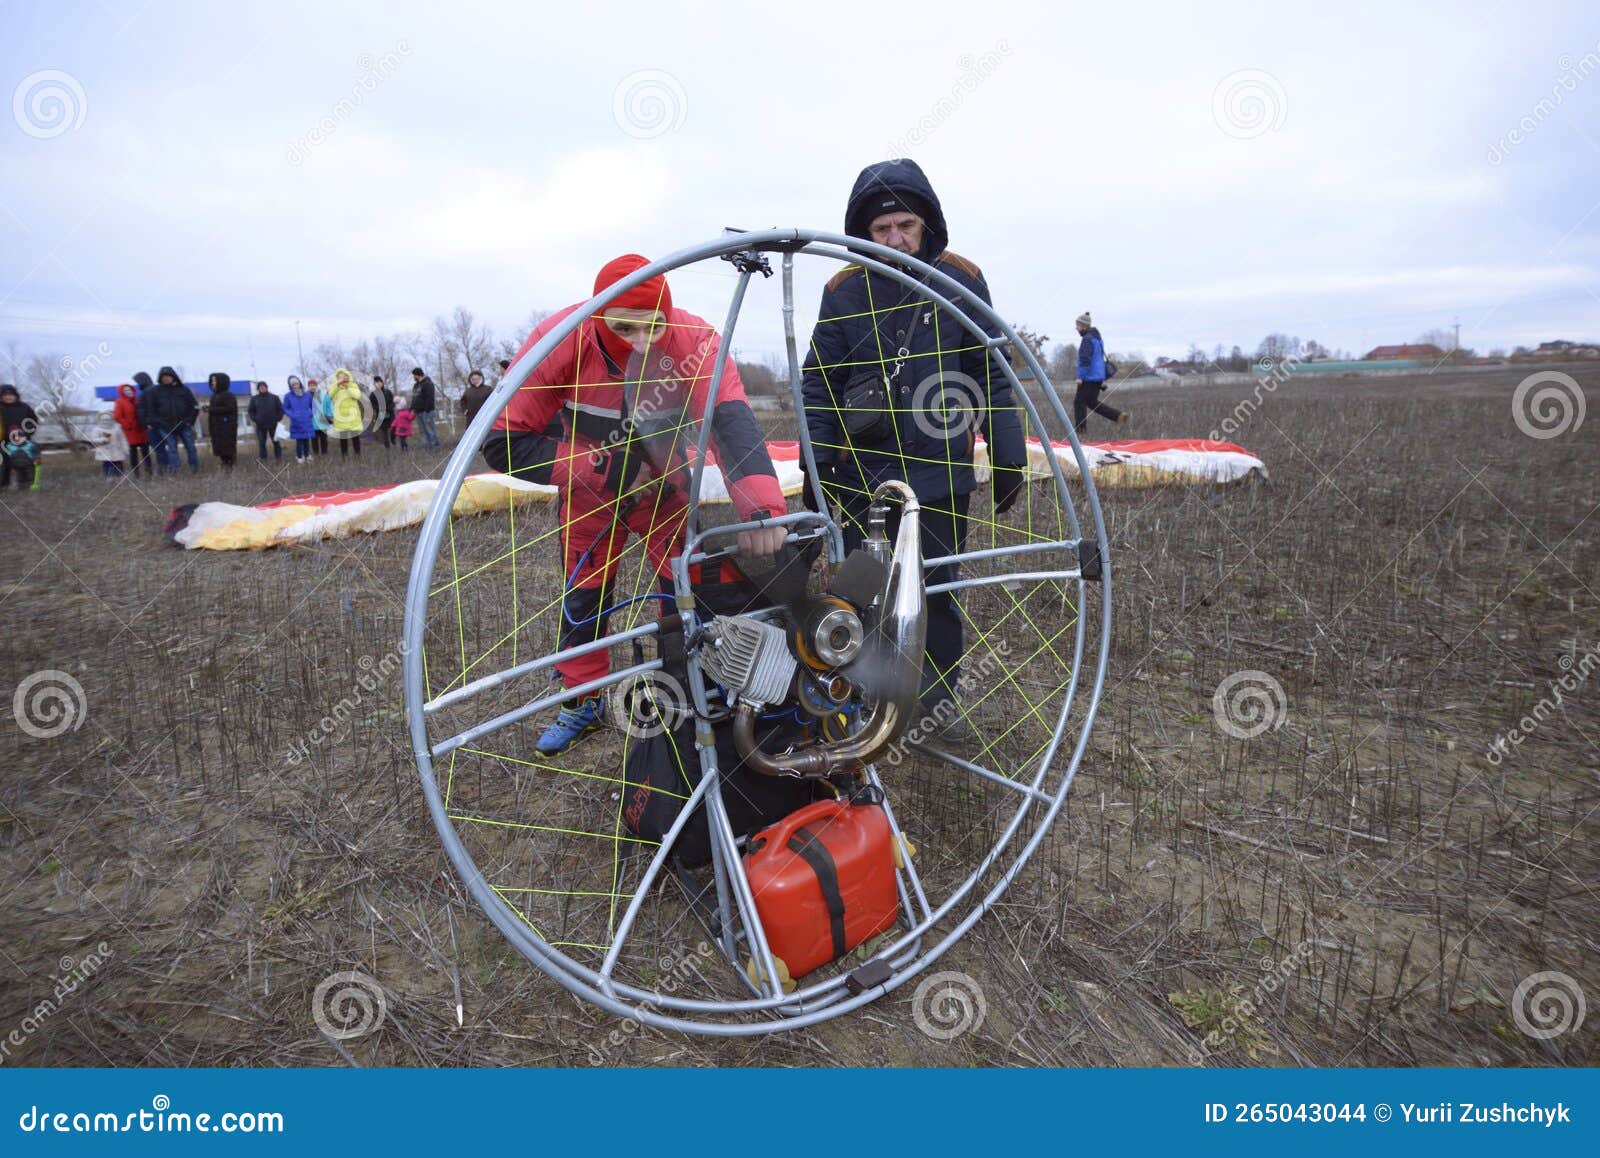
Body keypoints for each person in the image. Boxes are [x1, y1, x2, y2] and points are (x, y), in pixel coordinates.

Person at [483, 253, 787, 756]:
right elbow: (503, 440)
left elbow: (730, 423)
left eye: (653, 327)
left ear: (669, 313)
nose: (640, 342)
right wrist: (613, 471)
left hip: (667, 491)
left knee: (684, 588)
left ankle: (686, 687)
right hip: (590, 493)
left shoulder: (697, 343)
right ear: (600, 320)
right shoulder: (561, 338)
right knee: (586, 593)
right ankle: (581, 699)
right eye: (624, 329)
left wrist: (762, 510)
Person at [800, 158, 1028, 734]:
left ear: (925, 224)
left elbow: (991, 368)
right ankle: (860, 702)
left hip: (940, 470)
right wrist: (816, 464)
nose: (895, 239)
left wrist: (1007, 454)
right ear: (863, 233)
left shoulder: (960, 278)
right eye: (882, 230)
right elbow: (819, 381)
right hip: (862, 474)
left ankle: (934, 707)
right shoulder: (843, 289)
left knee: (938, 593)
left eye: (906, 226)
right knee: (858, 589)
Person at [138, 366, 200, 474]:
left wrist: (190, 421)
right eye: (163, 377)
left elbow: (194, 406)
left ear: (173, 376)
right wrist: (158, 423)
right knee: (172, 449)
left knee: (190, 447)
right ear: (160, 378)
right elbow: (151, 410)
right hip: (165, 426)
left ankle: (194, 470)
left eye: (168, 376)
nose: (166, 378)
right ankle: (175, 471)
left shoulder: (183, 389)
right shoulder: (155, 391)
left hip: (184, 425)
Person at [1073, 311, 1126, 434]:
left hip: (1089, 377)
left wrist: (1080, 377)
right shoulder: (1097, 338)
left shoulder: (1087, 339)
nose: (1076, 328)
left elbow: (1085, 360)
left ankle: (1080, 432)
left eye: (1078, 325)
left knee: (1079, 403)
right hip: (1098, 376)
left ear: (1084, 326)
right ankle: (1118, 416)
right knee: (1092, 402)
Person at [1, 386, 40, 491]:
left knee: (24, 462)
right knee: (3, 463)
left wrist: (27, 433)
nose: (8, 397)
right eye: (5, 395)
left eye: (11, 395)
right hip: (3, 441)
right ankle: (3, 485)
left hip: (21, 441)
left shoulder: (24, 407)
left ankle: (26, 485)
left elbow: (33, 421)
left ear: (16, 396)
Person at [114, 382, 152, 476]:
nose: (128, 391)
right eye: (126, 390)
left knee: (146, 452)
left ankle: (149, 471)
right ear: (121, 392)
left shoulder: (138, 400)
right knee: (133, 453)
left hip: (142, 430)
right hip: (131, 431)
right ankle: (136, 473)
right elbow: (118, 416)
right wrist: (127, 425)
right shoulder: (119, 402)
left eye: (130, 389)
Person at [206, 372, 239, 470]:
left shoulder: (229, 395)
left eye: (214, 381)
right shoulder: (214, 396)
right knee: (220, 448)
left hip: (227, 427)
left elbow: (230, 409)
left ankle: (230, 467)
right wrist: (208, 408)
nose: (212, 383)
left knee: (228, 449)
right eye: (212, 381)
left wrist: (211, 409)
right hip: (216, 427)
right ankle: (225, 465)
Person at [328, 368, 365, 455]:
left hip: (353, 417)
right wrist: (337, 385)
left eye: (344, 375)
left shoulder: (353, 385)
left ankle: (358, 455)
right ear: (337, 378)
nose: (343, 377)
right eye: (340, 376)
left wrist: (348, 387)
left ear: (348, 376)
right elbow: (330, 395)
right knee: (343, 439)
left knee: (355, 437)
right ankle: (344, 457)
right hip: (340, 417)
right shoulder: (335, 387)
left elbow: (357, 396)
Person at [283, 375, 316, 462]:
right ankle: (299, 456)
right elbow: (286, 408)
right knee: (299, 440)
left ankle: (307, 455)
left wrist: (310, 414)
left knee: (306, 439)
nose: (295, 386)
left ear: (300, 383)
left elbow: (313, 406)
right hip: (296, 421)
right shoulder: (288, 396)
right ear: (291, 386)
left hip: (306, 420)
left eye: (297, 383)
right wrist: (293, 415)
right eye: (293, 385)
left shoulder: (307, 394)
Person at [248, 381, 284, 461]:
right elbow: (250, 411)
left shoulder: (274, 397)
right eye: (260, 387)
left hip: (273, 424)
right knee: (261, 443)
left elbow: (280, 409)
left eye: (264, 386)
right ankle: (263, 458)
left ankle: (279, 457)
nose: (262, 388)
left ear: (267, 387)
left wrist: (278, 418)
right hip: (260, 425)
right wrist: (255, 419)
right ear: (258, 389)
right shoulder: (254, 399)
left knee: (276, 442)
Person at [410, 367, 439, 449]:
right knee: (423, 431)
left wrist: (427, 410)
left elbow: (430, 398)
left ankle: (435, 447)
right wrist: (412, 409)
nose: (413, 377)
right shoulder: (416, 385)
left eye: (414, 375)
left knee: (430, 430)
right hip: (418, 412)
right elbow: (414, 398)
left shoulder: (428, 383)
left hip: (427, 411)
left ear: (417, 375)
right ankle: (426, 448)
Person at [307, 378, 331, 455]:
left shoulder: (323, 395)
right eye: (310, 385)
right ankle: (316, 453)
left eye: (314, 385)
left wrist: (329, 416)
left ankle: (324, 453)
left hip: (323, 420)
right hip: (312, 421)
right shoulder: (306, 396)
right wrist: (309, 414)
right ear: (308, 387)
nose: (312, 387)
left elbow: (329, 405)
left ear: (316, 386)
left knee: (324, 439)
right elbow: (304, 407)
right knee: (314, 439)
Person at [371, 375, 395, 448]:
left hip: (390, 413)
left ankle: (393, 439)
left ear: (382, 383)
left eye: (379, 382)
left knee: (394, 428)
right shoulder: (373, 394)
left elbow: (393, 402)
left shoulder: (388, 392)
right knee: (384, 431)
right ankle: (387, 446)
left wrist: (389, 407)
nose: (378, 384)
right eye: (376, 383)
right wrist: (380, 408)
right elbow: (372, 405)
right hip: (381, 415)